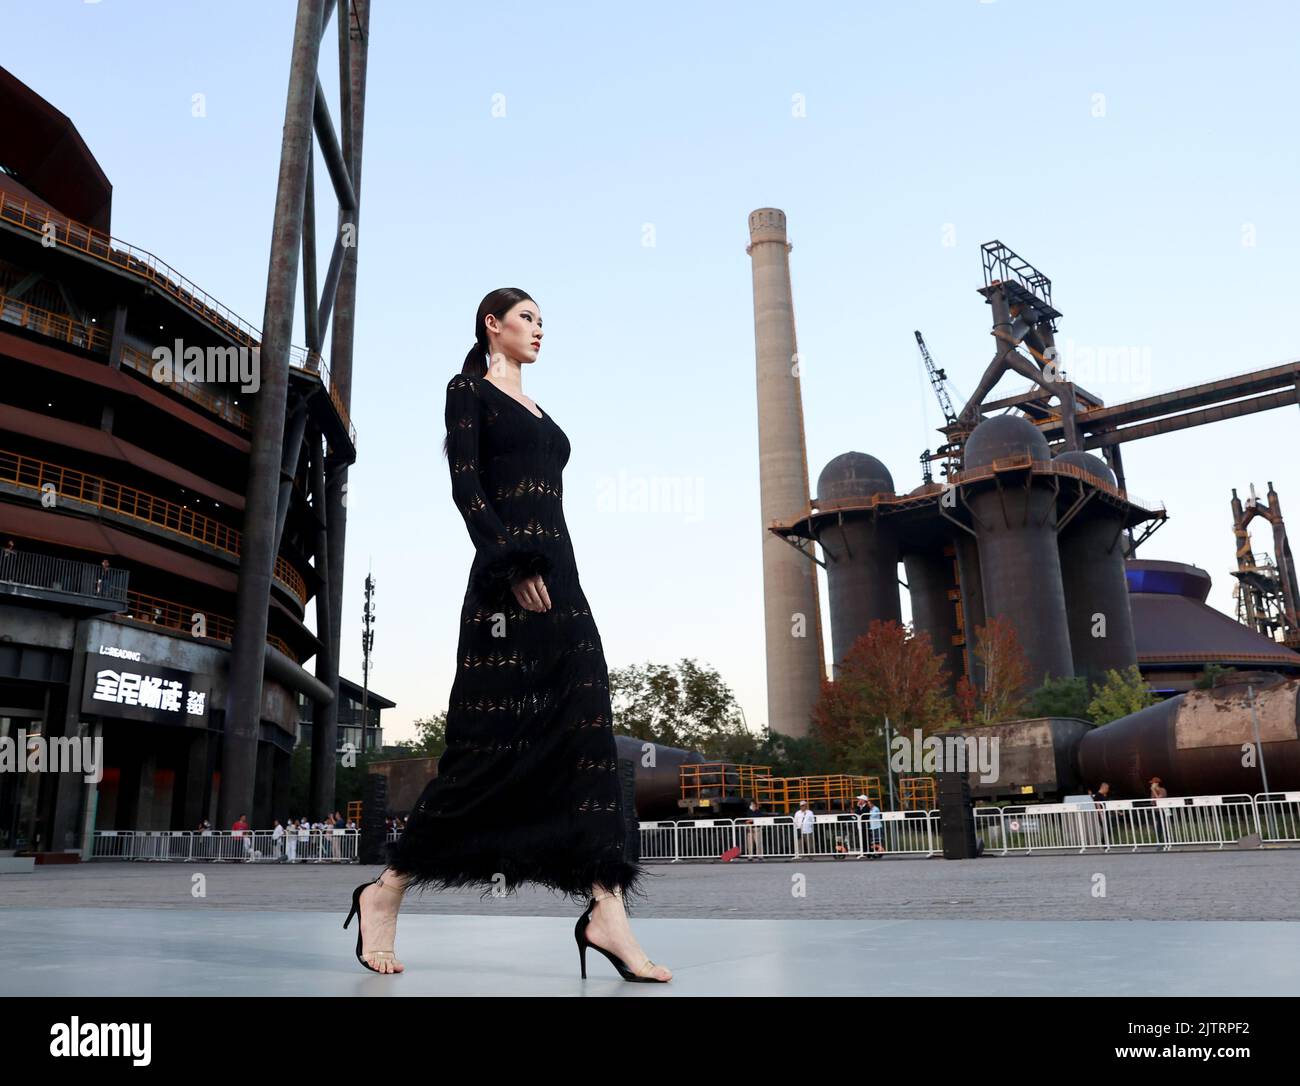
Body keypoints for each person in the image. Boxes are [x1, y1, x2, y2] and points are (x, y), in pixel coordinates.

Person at [353, 291, 668, 981]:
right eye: (527, 318)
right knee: (484, 750)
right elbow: (467, 488)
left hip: (564, 578)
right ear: (492, 325)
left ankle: (607, 909)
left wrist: (544, 566)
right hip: (508, 583)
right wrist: (511, 564)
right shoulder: (467, 391)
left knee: (588, 732)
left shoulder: (541, 412)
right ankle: (387, 891)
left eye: (543, 322)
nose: (539, 330)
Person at [1149, 776, 1170, 846]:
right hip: (1157, 811)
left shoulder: (1163, 790)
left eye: (1153, 783)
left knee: (1165, 825)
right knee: (1158, 826)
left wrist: (1153, 790)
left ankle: (1167, 840)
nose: (1152, 785)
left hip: (1164, 810)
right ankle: (1159, 842)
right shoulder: (1153, 791)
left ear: (1157, 783)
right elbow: (1152, 802)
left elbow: (1159, 798)